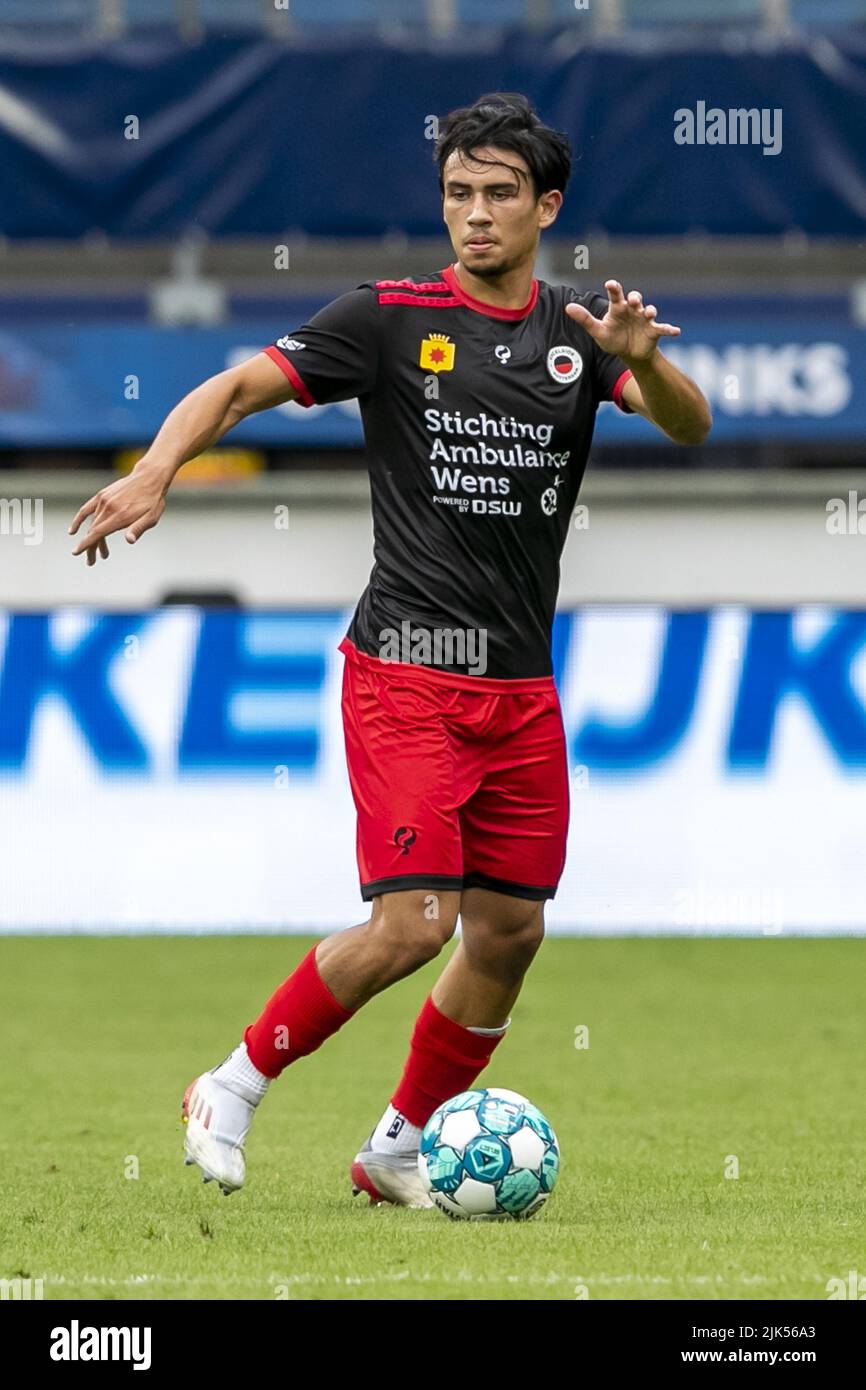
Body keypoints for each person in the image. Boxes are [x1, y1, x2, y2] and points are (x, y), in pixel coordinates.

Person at [68, 92, 711, 1206]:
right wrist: (156, 468)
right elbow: (234, 386)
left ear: (545, 206)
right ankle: (230, 1082)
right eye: (458, 192)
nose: (474, 214)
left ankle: (396, 1145)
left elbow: (690, 422)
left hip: (518, 685)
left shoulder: (577, 336)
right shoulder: (385, 319)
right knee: (413, 923)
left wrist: (643, 364)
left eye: (499, 194)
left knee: (507, 931)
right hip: (405, 671)